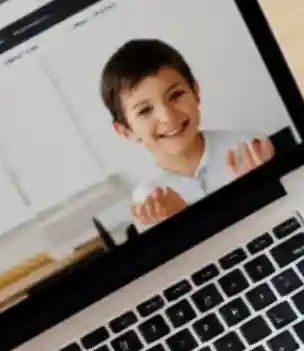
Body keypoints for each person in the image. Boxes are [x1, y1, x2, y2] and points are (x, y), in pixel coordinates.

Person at [100, 39, 277, 227]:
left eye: (175, 95)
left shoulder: (251, 149)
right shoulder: (148, 203)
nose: (167, 117)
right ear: (126, 131)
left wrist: (261, 186)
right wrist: (182, 223)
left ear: (195, 91)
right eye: (145, 111)